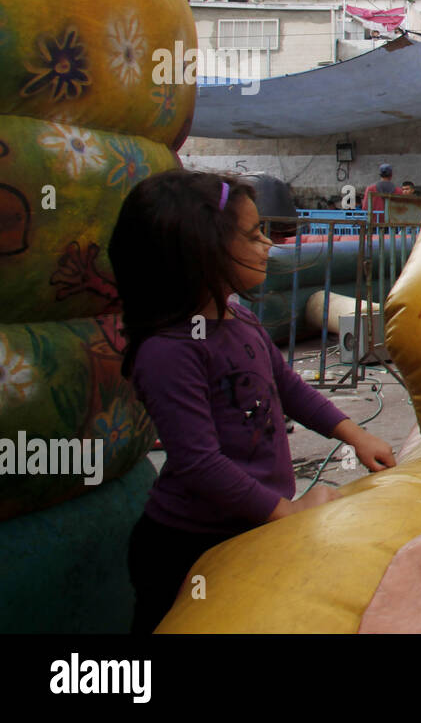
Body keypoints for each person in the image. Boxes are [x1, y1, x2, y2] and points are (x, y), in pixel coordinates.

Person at [107, 170, 396, 633]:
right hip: (189, 543)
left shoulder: (237, 316)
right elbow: (200, 464)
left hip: (253, 520)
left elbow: (289, 387)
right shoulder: (170, 352)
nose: (268, 244)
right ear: (201, 251)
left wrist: (354, 434)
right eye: (254, 233)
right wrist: (288, 513)